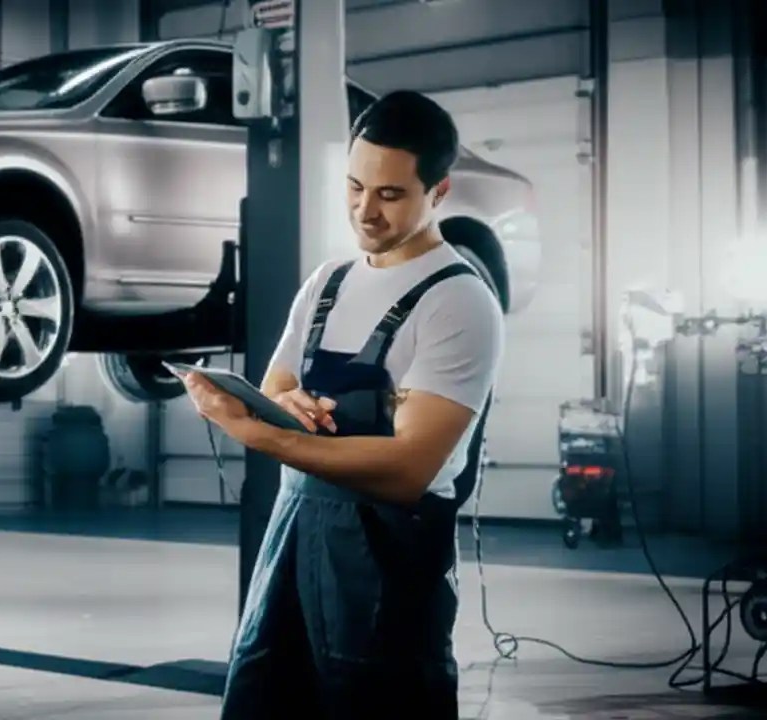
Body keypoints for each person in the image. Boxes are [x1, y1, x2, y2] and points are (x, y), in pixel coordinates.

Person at [181, 90, 505, 718]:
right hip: (294, 545)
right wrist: (281, 405)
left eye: (389, 194)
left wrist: (262, 436)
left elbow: (409, 468)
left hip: (388, 570)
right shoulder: (328, 282)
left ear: (438, 192)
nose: (365, 210)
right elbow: (276, 386)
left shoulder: (458, 302)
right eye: (355, 186)